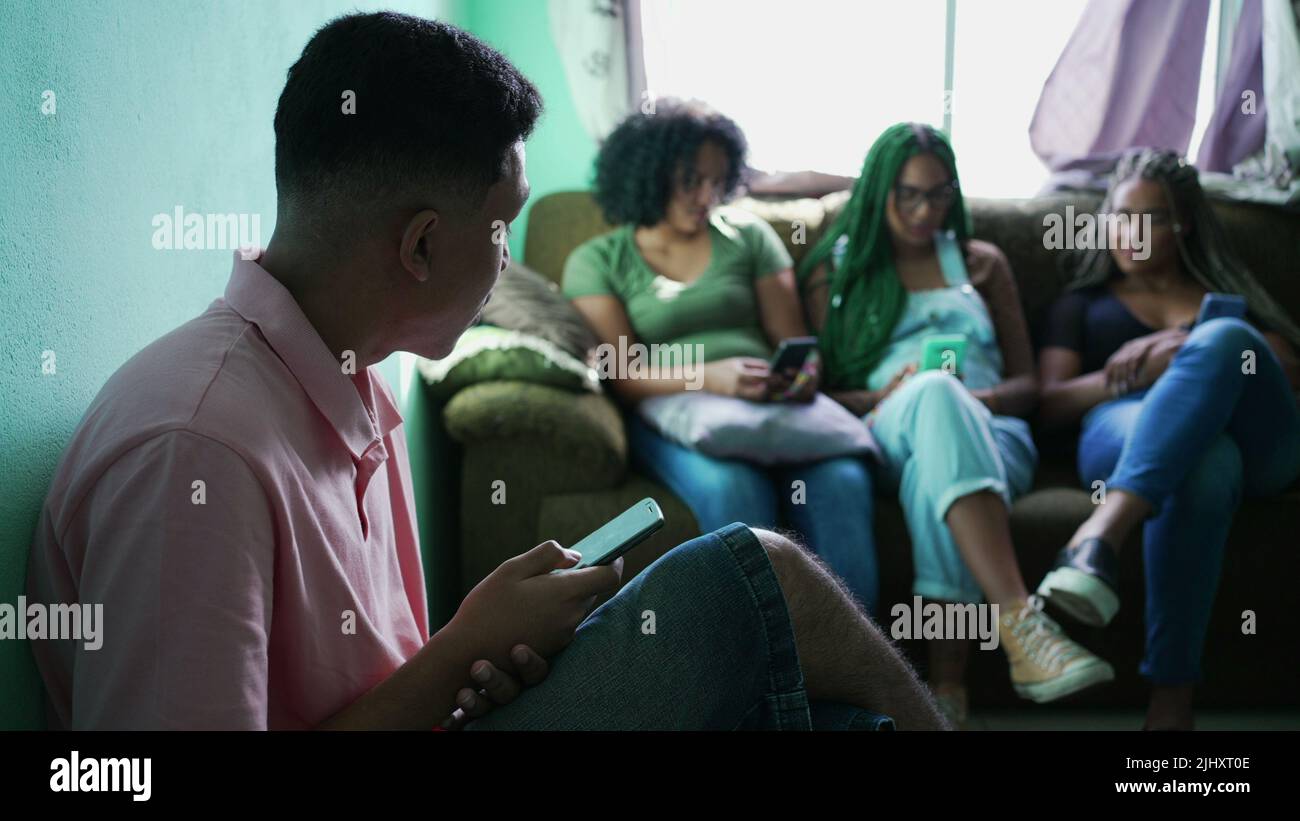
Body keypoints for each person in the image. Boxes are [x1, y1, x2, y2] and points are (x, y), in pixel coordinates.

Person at [25, 12, 945, 731]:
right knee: (762, 574)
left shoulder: (349, 380)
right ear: (421, 245)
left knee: (810, 707)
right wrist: (457, 651)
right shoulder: (198, 449)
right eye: (501, 226)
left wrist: (466, 661)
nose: (507, 259)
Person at [798, 122, 1114, 726]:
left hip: (993, 434)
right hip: (889, 425)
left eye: (940, 194)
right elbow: (820, 395)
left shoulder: (982, 263)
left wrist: (976, 401)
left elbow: (1029, 387)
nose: (925, 210)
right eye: (908, 194)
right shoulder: (833, 272)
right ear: (878, 192)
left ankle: (944, 697)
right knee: (932, 396)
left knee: (934, 461)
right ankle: (1020, 623)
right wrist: (884, 393)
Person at [563, 100, 881, 612]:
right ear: (648, 175)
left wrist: (795, 377)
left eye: (717, 180)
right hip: (674, 411)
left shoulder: (749, 236)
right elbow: (622, 371)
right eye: (690, 180)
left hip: (769, 408)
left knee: (843, 482)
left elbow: (795, 344)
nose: (706, 196)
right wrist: (708, 377)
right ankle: (762, 673)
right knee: (733, 488)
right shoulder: (598, 261)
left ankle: (856, 670)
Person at [1036, 148, 1300, 730]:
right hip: (1124, 428)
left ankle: (1101, 534)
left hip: (1260, 445)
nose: (1127, 232)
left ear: (1180, 224)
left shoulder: (1227, 298)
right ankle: (1171, 702)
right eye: (1117, 216)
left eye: (1147, 217)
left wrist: (1188, 344)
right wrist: (1128, 375)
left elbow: (1287, 368)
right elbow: (1050, 403)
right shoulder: (1082, 304)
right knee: (1205, 465)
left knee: (1228, 337)